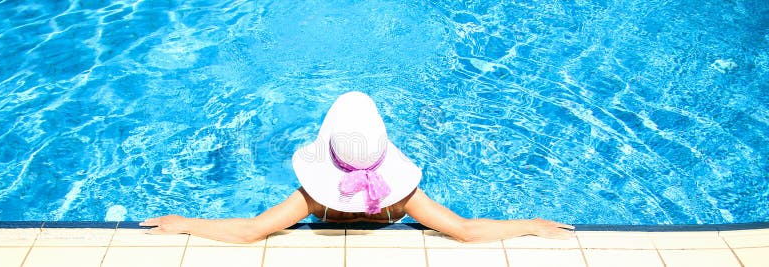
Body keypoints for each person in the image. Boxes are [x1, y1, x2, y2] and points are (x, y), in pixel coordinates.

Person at [141, 91, 574, 243]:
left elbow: (251, 231)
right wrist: (529, 225)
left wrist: (186, 223)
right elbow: (465, 230)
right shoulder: (404, 199)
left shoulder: (311, 198)